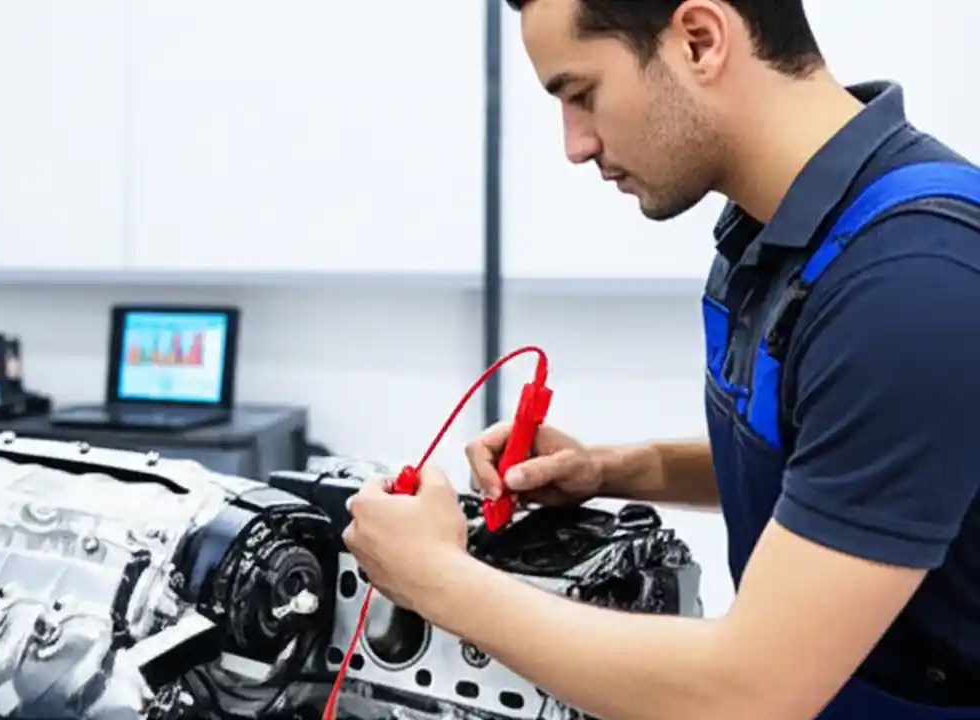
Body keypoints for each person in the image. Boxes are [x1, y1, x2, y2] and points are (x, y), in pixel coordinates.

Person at [340, 1, 980, 718]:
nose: (575, 145)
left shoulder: (911, 280)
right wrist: (611, 469)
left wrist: (434, 578)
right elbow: (840, 463)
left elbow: (749, 695)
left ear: (700, 41)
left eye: (582, 95)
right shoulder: (772, 236)